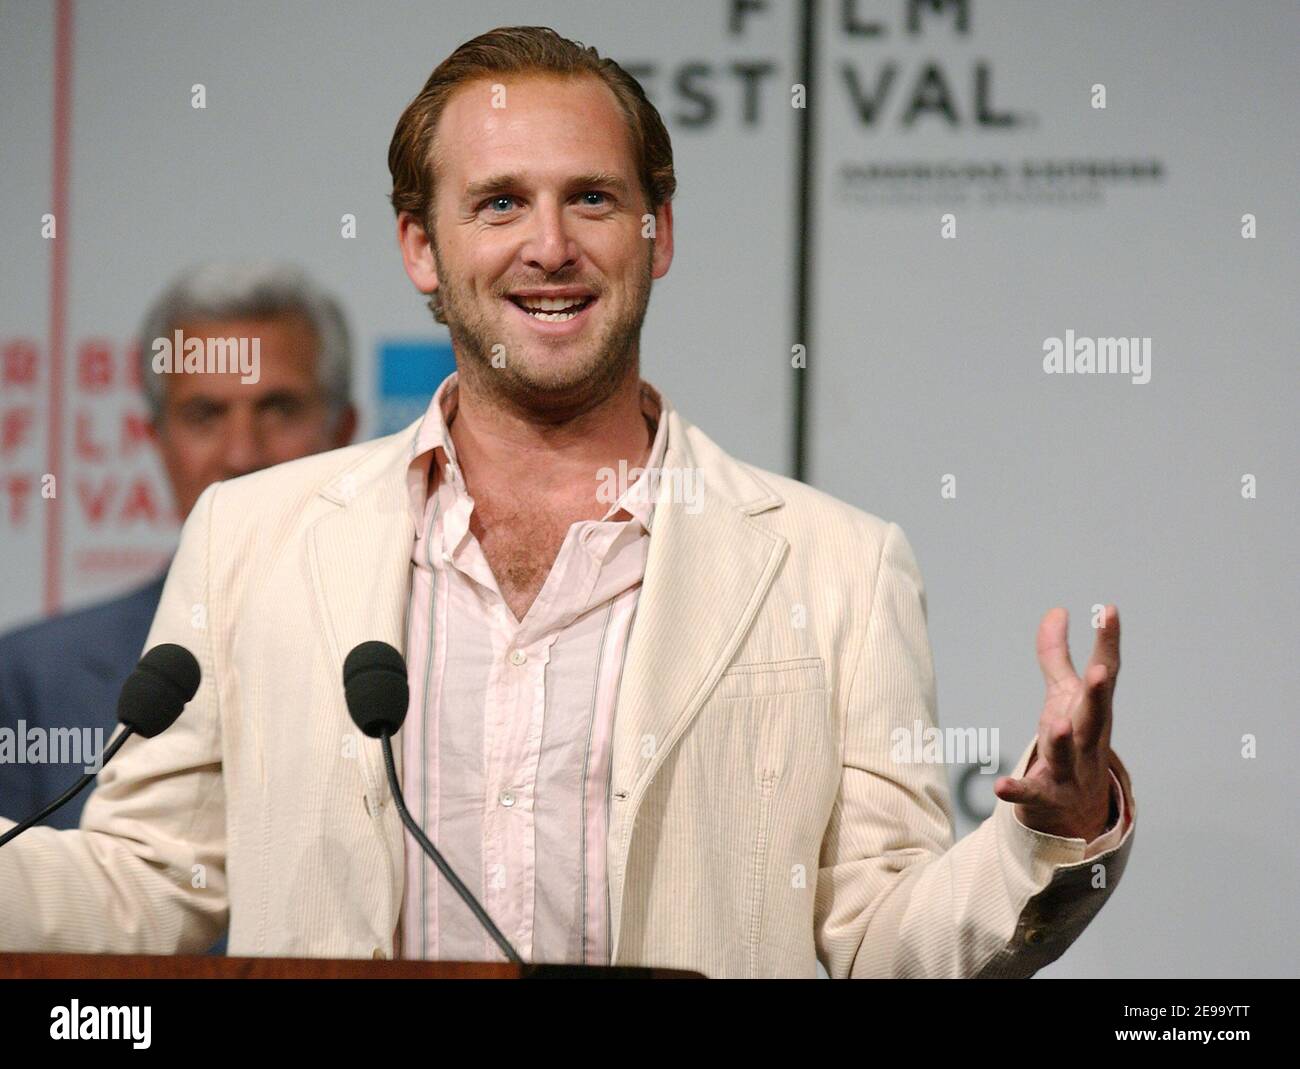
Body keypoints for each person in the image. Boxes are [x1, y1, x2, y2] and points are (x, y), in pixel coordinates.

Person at [0, 27, 1133, 978]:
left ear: (657, 233)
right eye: (498, 203)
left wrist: (1048, 837)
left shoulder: (837, 569)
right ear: (420, 249)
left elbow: (880, 936)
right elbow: (147, 883)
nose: (549, 246)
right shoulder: (252, 538)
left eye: (591, 197)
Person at [0, 262, 357, 828]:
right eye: (205, 415)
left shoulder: (414, 646)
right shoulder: (31, 680)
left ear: (344, 432)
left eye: (279, 409)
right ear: (157, 441)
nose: (243, 455)